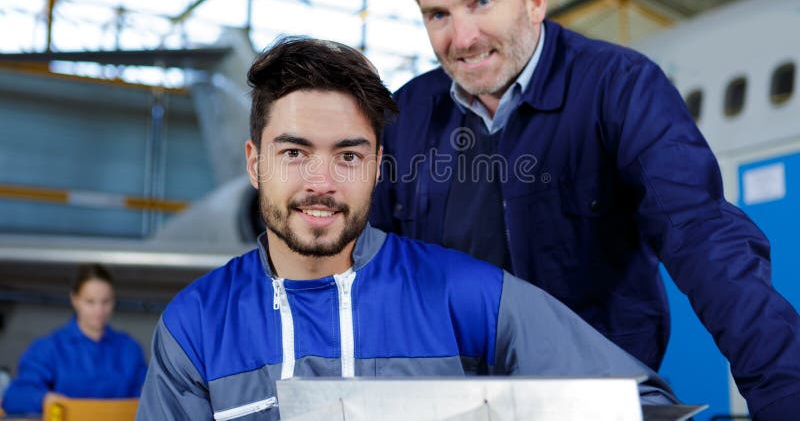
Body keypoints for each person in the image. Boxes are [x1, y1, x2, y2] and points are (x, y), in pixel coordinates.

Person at [368, 0, 800, 421]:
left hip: (599, 399)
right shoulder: (405, 118)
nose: (461, 39)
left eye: (481, 1)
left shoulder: (619, 88)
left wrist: (785, 394)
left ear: (534, 1)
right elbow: (372, 274)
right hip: (457, 403)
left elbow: (704, 238)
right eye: (438, 15)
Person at [136, 37, 677, 420]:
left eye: (348, 156)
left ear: (376, 167)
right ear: (254, 163)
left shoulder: (467, 297)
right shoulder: (195, 328)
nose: (321, 182)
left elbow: (642, 406)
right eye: (295, 153)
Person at [1, 263, 147, 415]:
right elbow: (14, 396)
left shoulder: (129, 349)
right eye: (90, 302)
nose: (99, 310)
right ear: (75, 299)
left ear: (114, 300)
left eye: (106, 301)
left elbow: (149, 395)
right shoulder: (49, 348)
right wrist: (44, 399)